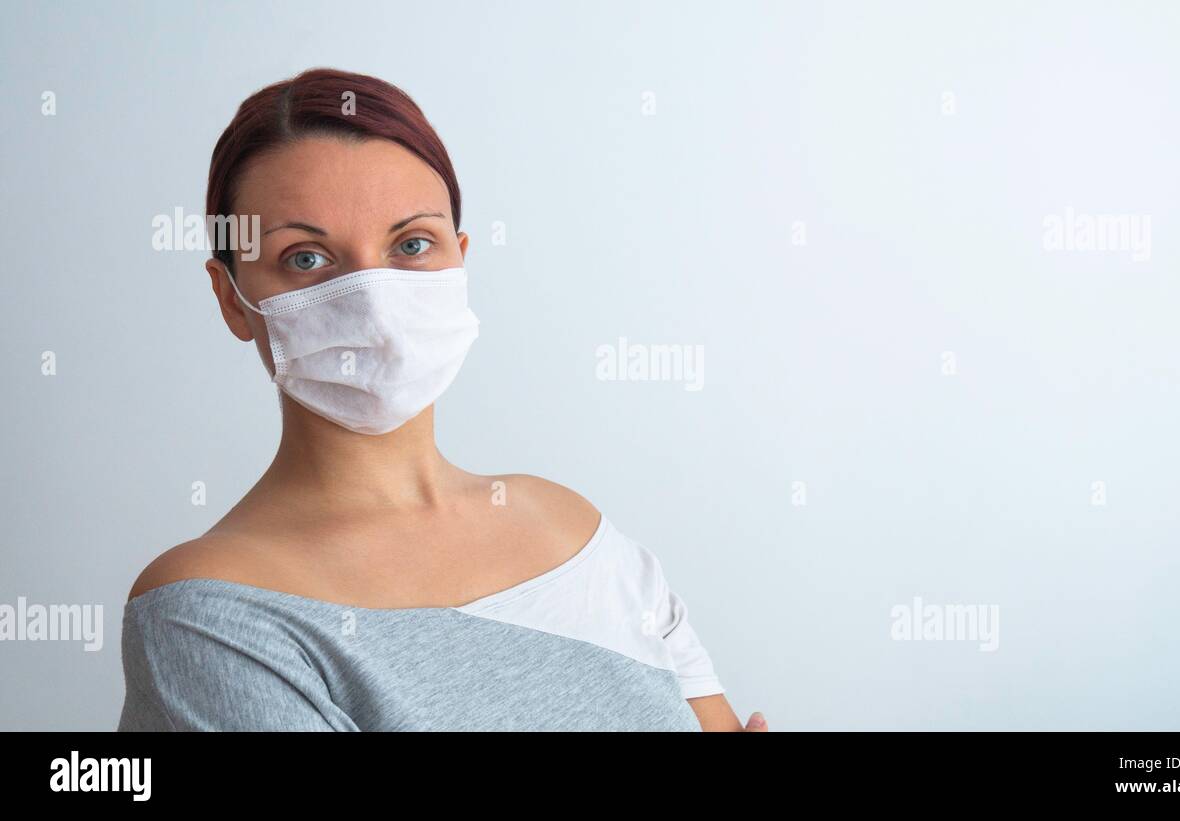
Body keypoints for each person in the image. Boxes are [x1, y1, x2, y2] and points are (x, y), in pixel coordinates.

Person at [117, 67, 766, 732]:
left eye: (411, 244)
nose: (372, 296)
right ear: (233, 298)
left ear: (459, 258)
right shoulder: (207, 610)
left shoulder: (577, 532)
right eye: (307, 258)